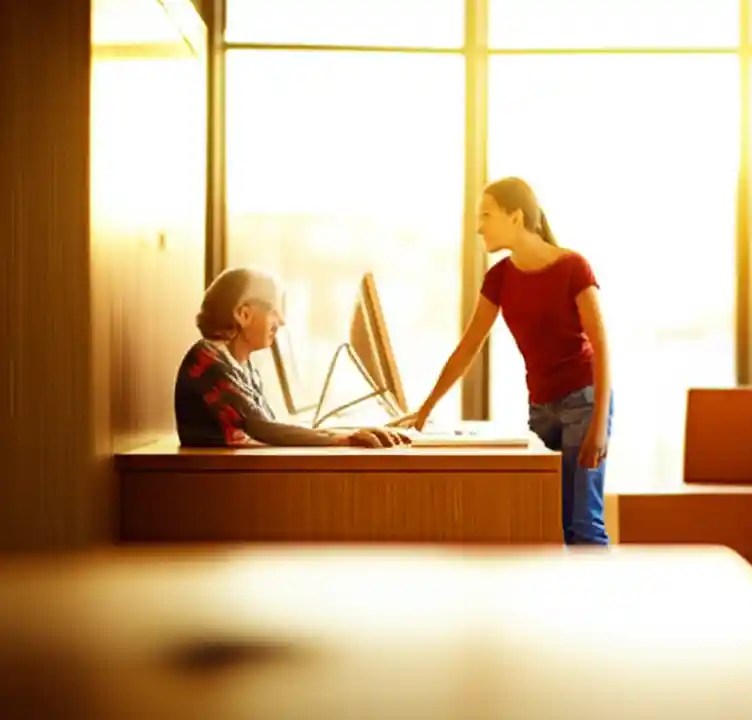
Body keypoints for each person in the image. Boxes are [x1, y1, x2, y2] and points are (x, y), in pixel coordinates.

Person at [413, 177, 613, 545]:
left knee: (583, 525)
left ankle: (598, 600)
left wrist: (599, 425)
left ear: (516, 217)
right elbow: (468, 346)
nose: (479, 227)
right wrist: (424, 409)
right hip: (541, 408)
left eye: (486, 215)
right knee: (547, 522)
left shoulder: (573, 268)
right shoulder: (499, 278)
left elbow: (601, 346)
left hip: (583, 403)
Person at [175, 267, 408, 449]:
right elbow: (263, 427)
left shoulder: (242, 365)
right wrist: (340, 438)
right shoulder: (208, 358)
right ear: (243, 314)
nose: (282, 321)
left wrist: (344, 432)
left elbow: (268, 424)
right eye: (274, 310)